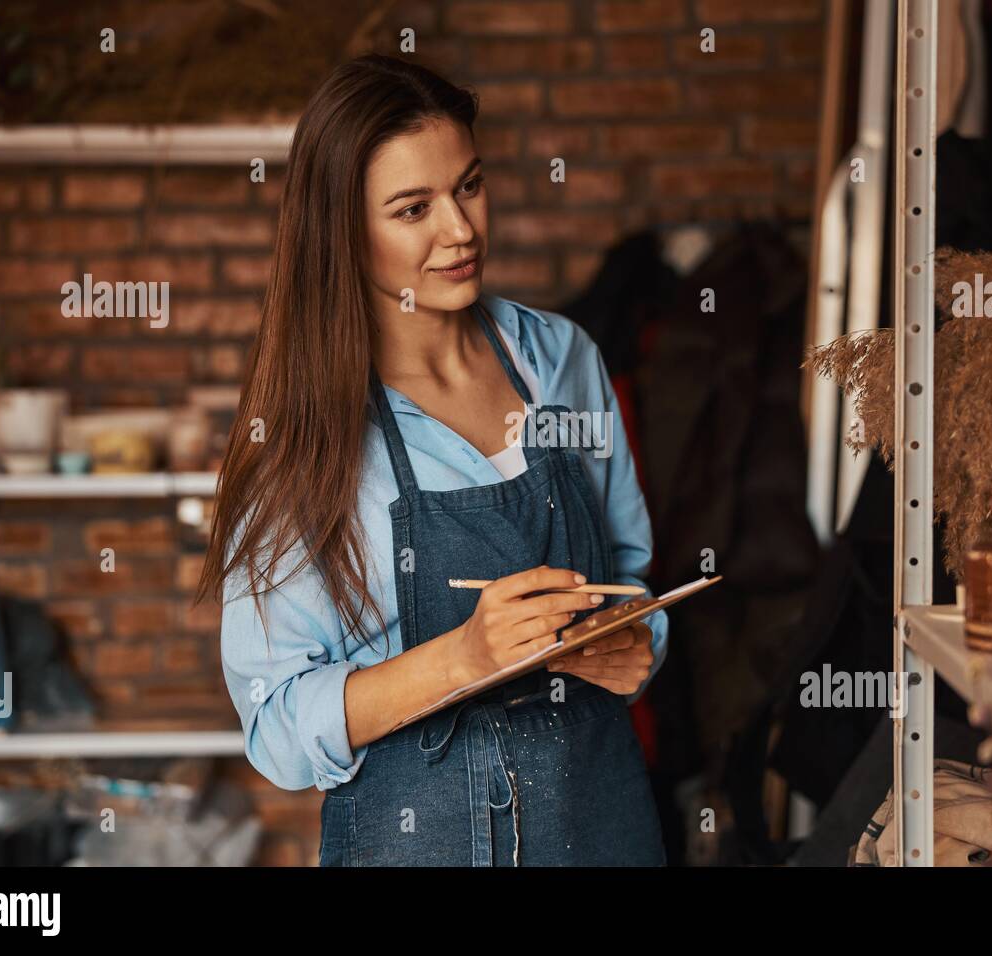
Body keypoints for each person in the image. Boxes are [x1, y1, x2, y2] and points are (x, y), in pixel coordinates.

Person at [198, 54, 668, 867]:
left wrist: (636, 641)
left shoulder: (561, 361)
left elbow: (631, 575)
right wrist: (466, 658)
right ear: (342, 229)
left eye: (470, 186)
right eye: (413, 208)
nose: (460, 230)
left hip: (601, 824)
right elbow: (276, 722)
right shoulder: (309, 433)